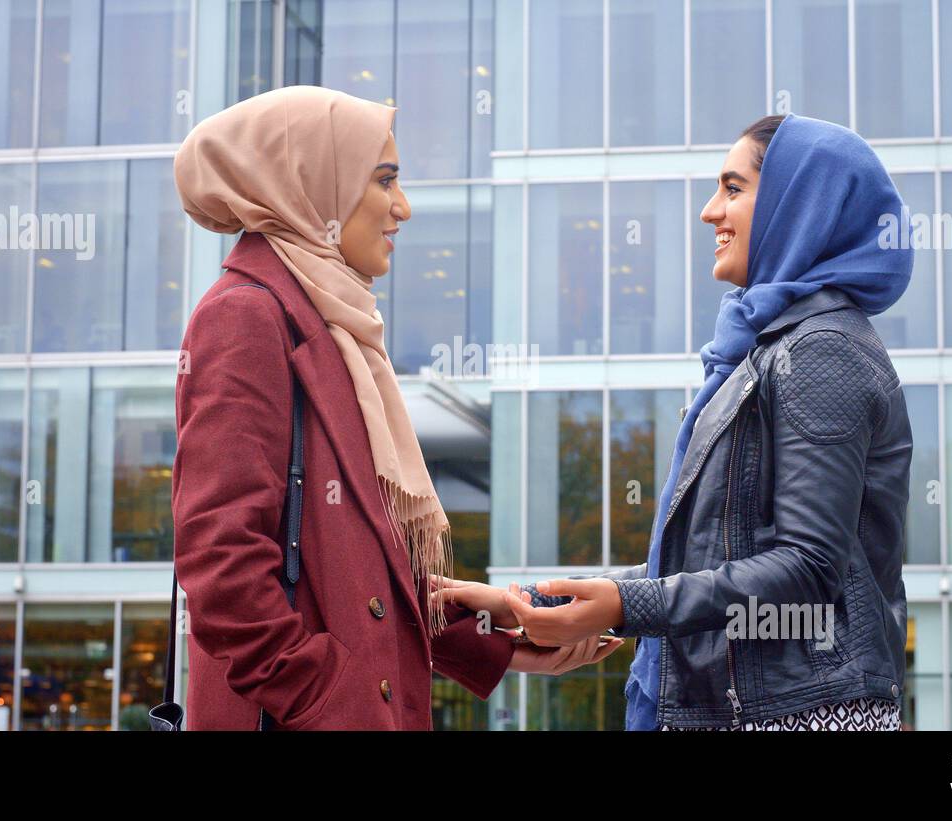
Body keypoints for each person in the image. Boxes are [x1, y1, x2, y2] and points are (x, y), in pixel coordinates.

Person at [438, 113, 913, 730]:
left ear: (804, 204)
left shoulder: (822, 348)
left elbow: (807, 566)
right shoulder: (767, 350)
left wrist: (624, 605)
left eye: (734, 188)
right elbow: (711, 556)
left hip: (799, 714)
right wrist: (521, 606)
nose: (710, 211)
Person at [170, 85, 620, 730]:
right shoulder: (247, 314)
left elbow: (362, 578)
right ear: (311, 184)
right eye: (383, 180)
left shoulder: (334, 329)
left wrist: (500, 637)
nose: (402, 208)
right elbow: (219, 555)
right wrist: (324, 698)